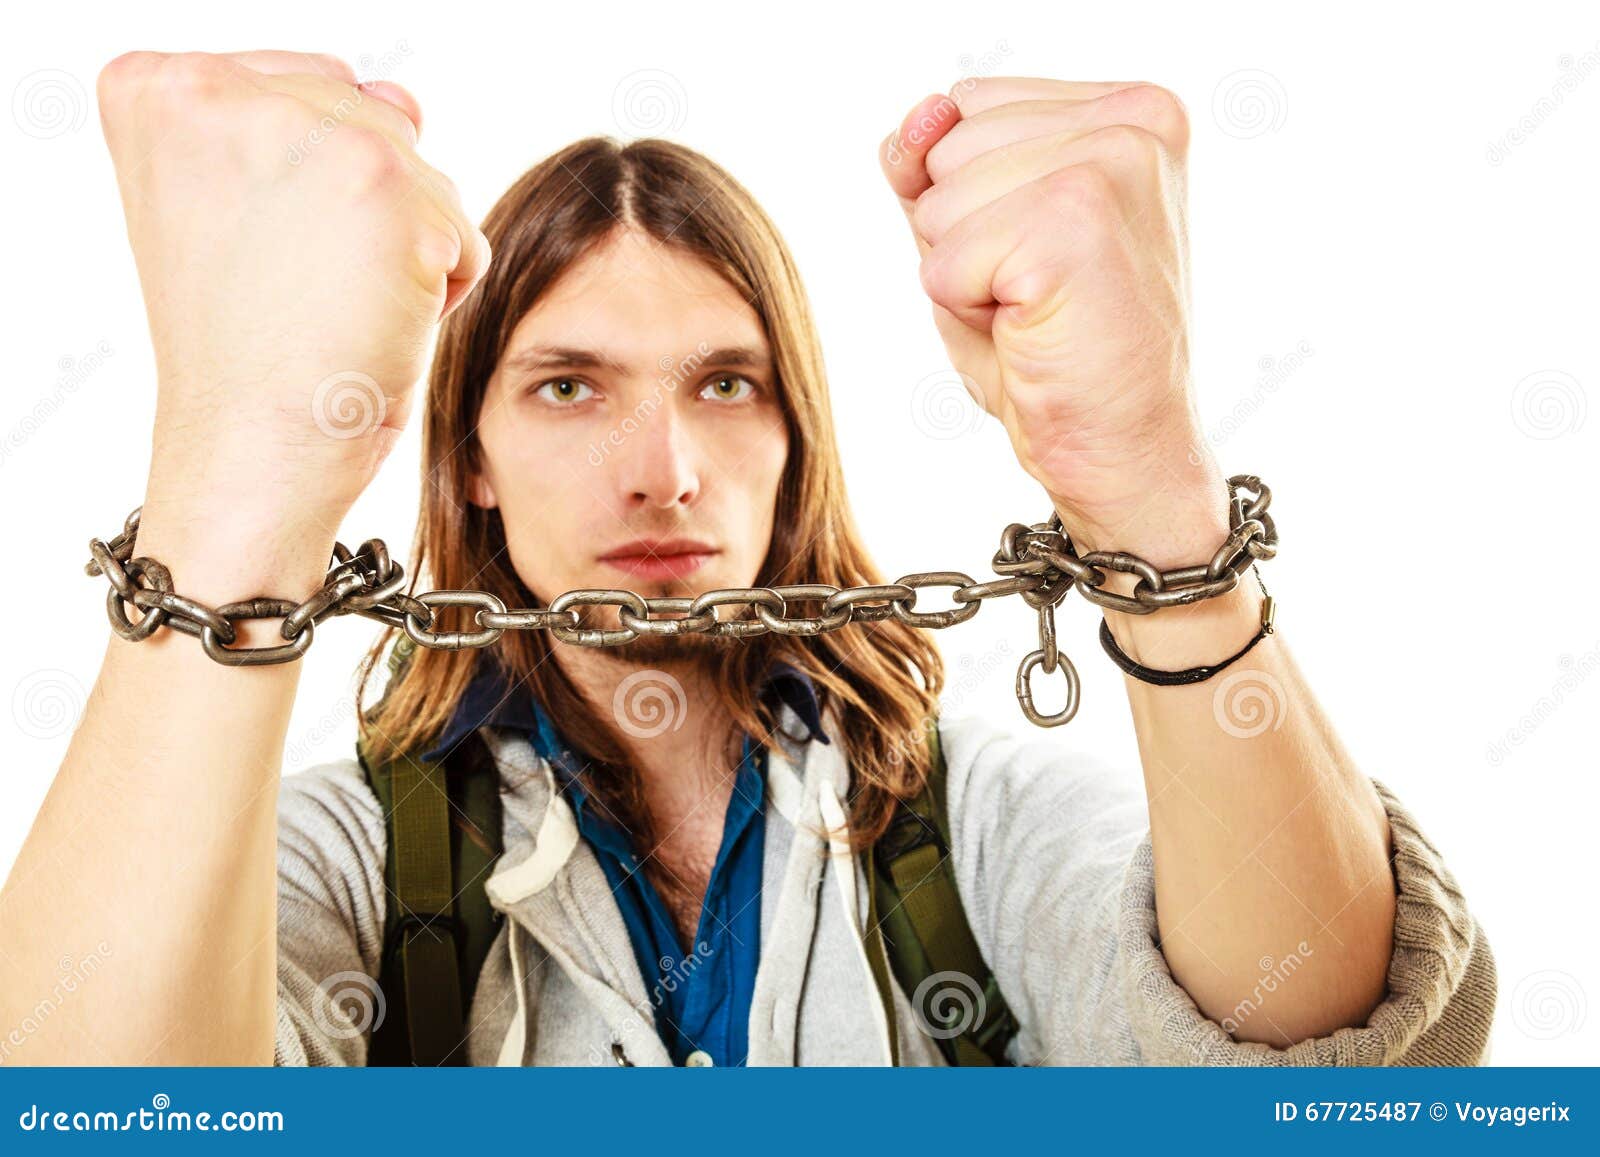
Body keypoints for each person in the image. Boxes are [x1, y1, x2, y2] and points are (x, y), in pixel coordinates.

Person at [0, 51, 1495, 1067]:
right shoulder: (349, 863)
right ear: (470, 455)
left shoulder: (966, 830)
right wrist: (235, 482)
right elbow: (90, 1111)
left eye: (726, 381)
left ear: (796, 440)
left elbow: (1327, 1069)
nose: (667, 464)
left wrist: (1148, 485)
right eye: (568, 385)